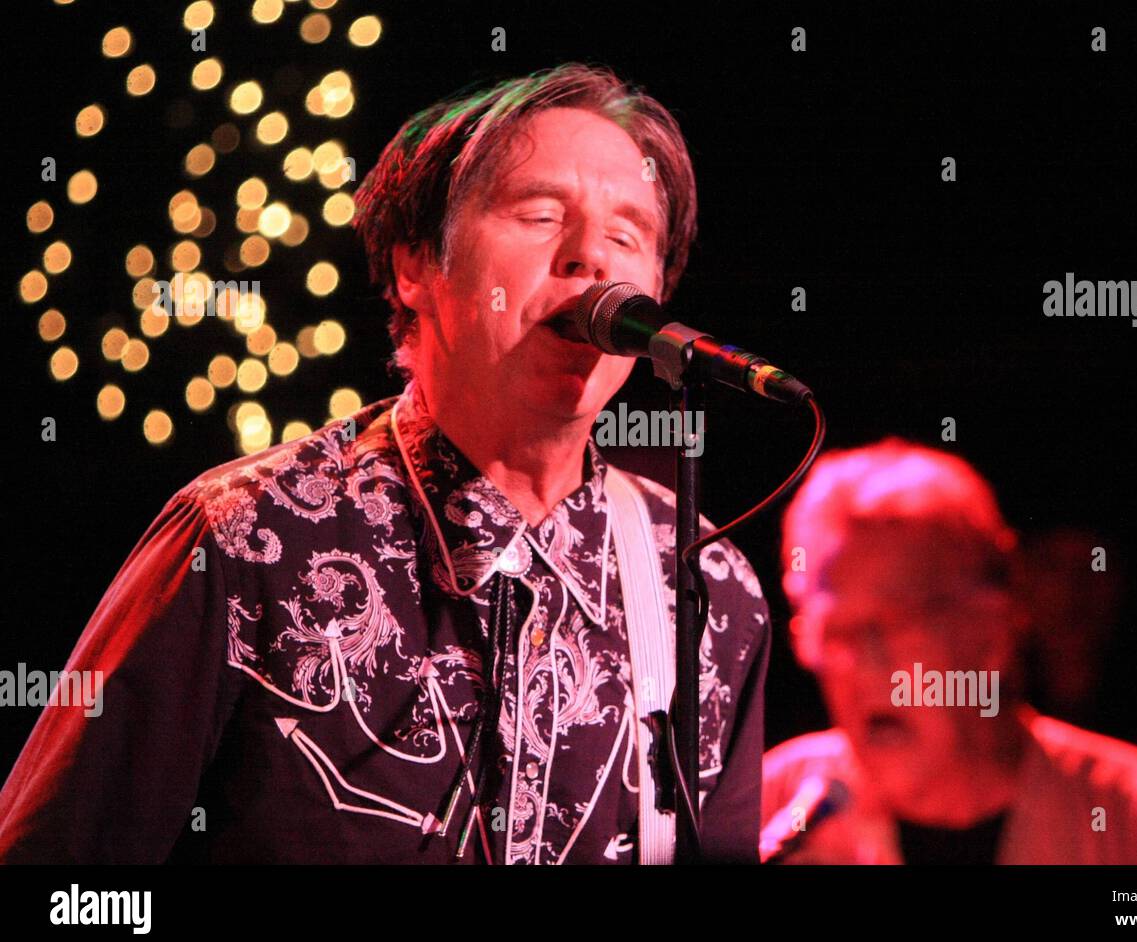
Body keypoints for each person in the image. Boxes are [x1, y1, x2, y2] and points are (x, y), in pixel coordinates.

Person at [0, 63, 770, 864]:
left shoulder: (706, 583)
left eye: (627, 236)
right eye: (541, 215)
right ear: (416, 268)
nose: (590, 260)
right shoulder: (245, 536)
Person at [761, 438, 1137, 864]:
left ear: (990, 635)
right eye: (835, 632)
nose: (860, 665)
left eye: (892, 625)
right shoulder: (769, 806)